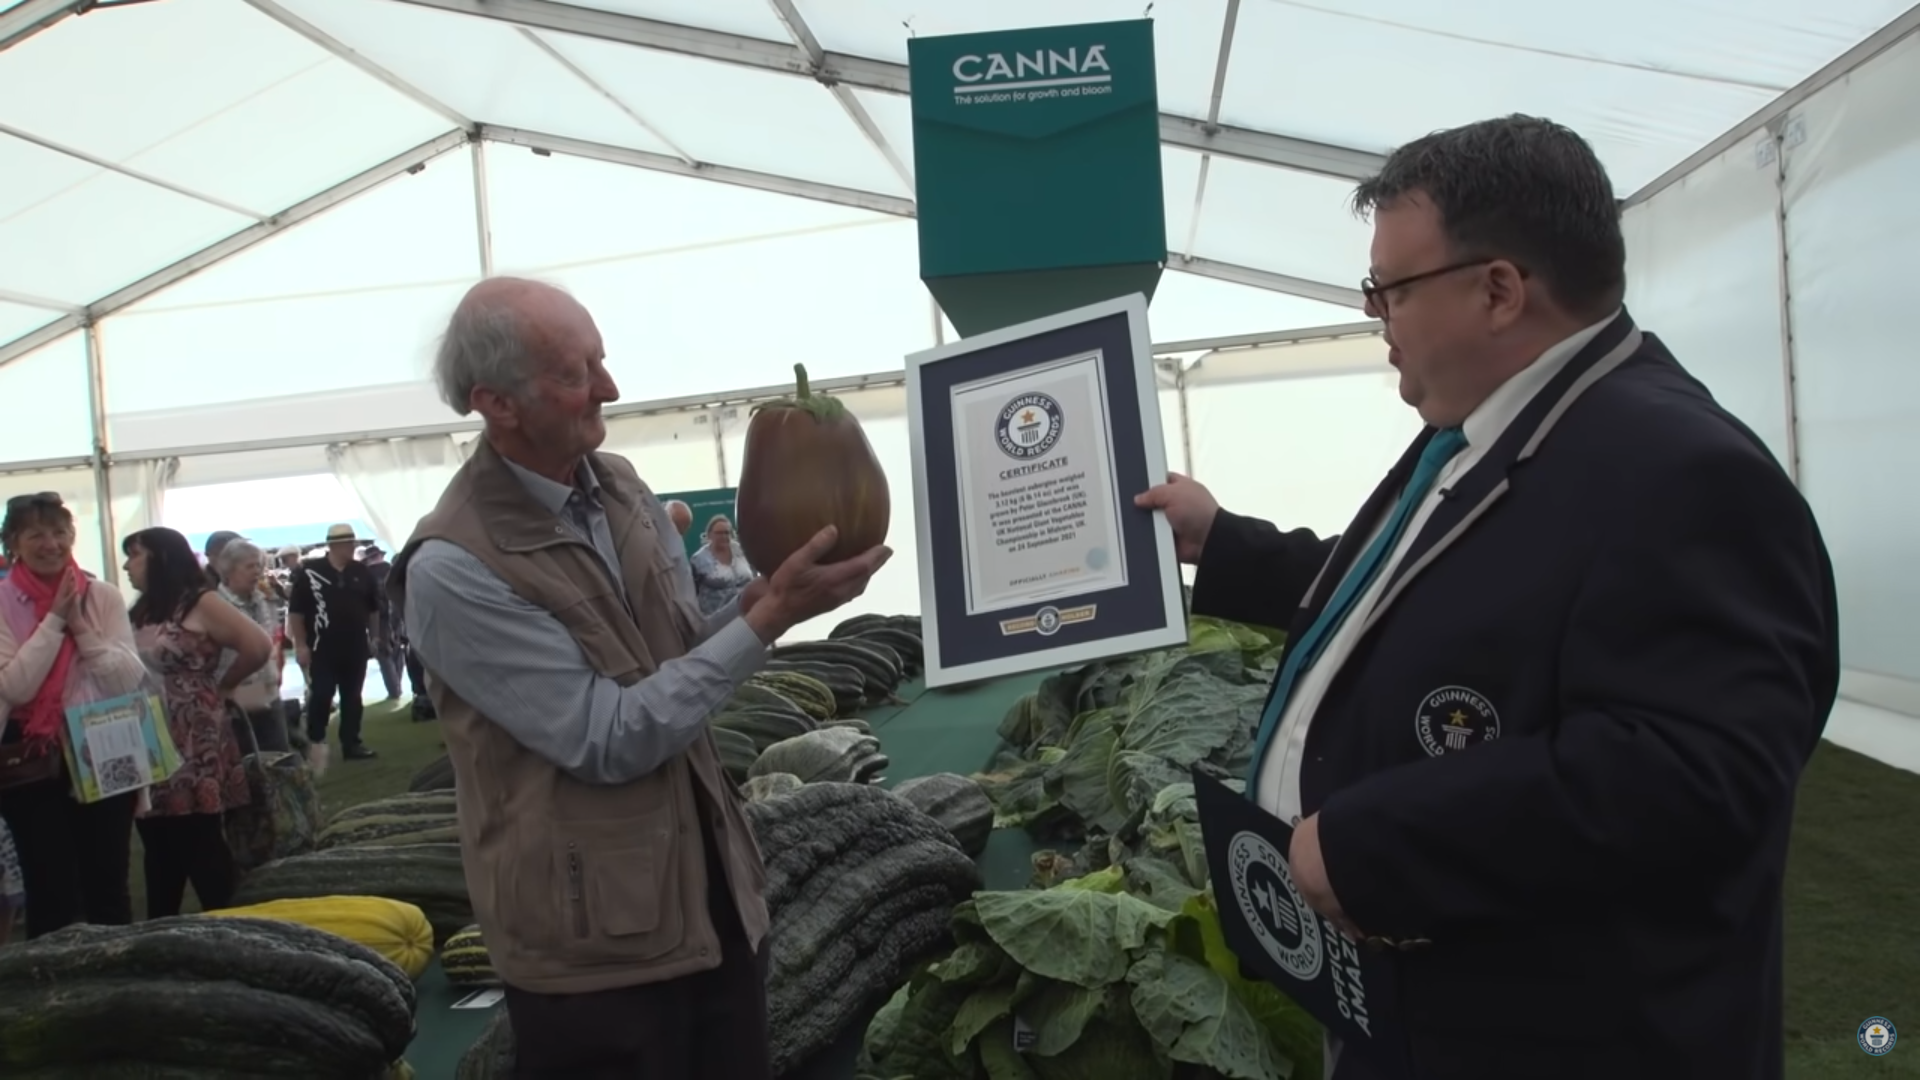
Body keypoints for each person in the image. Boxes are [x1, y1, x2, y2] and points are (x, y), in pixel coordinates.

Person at [1137, 115, 1839, 1079]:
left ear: (1500, 290)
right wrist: (1222, 543)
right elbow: (1405, 585)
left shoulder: (1685, 471)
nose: (1376, 316)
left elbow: (1696, 774)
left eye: (1389, 289)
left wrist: (1378, 847)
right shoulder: (1502, 425)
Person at [393, 277, 890, 1080]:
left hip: (710, 898)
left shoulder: (620, 487)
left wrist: (769, 604)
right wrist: (764, 623)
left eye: (601, 360)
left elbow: (683, 651)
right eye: (575, 372)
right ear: (497, 402)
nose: (610, 389)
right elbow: (607, 739)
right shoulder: (454, 567)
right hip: (593, 951)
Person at [0, 493, 148, 938]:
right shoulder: (4, 602)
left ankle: (114, 981)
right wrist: (53, 622)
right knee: (51, 889)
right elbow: (16, 687)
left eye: (60, 532)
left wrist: (79, 624)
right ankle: (55, 989)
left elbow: (126, 680)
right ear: (13, 543)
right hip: (32, 760)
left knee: (108, 882)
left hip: (107, 746)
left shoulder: (100, 595)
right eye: (36, 535)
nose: (51, 543)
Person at [123, 527, 271, 918]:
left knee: (198, 837)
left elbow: (257, 646)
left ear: (160, 557)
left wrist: (224, 687)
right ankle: (163, 927)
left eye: (134, 555)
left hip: (193, 737)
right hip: (148, 733)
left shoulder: (200, 602)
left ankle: (230, 924)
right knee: (156, 838)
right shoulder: (141, 609)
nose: (126, 565)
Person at [287, 524, 382, 765]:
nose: (351, 547)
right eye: (347, 543)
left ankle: (352, 743)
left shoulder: (361, 571)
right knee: (322, 694)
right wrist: (300, 645)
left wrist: (375, 636)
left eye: (352, 543)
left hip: (355, 646)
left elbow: (373, 609)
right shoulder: (310, 573)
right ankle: (316, 741)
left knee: (353, 697)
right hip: (321, 647)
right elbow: (296, 612)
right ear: (333, 545)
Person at [211, 537, 291, 753]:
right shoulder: (215, 606)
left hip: (269, 692)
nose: (256, 571)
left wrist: (277, 671)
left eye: (258, 565)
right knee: (244, 761)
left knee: (280, 758)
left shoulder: (265, 600)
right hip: (234, 700)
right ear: (228, 571)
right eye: (249, 566)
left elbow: (274, 641)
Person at [689, 515, 753, 616]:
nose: (724, 536)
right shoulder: (698, 559)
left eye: (727, 532)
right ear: (709, 535)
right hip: (715, 618)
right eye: (719, 533)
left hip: (746, 614)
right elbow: (691, 592)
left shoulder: (742, 550)